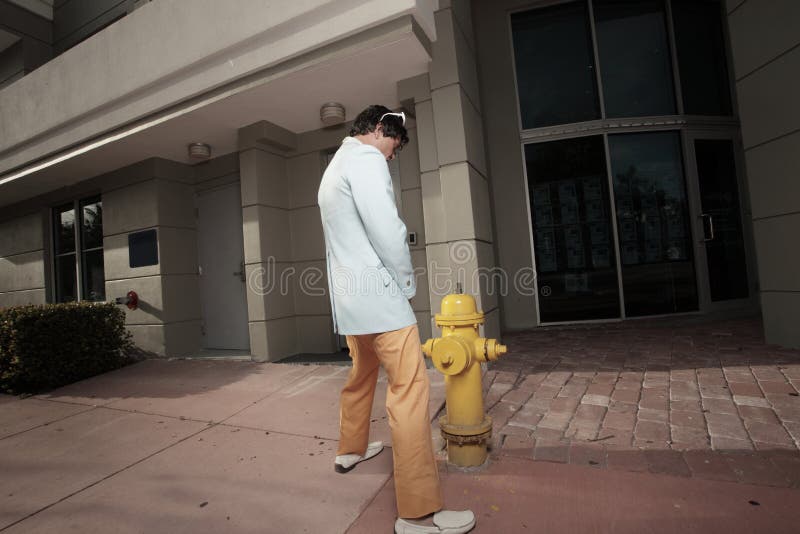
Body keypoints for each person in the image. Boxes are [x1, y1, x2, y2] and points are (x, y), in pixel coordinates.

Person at [318, 105, 476, 534]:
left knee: (361, 376)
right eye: (395, 144)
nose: (392, 155)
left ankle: (349, 450)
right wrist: (406, 284)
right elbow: (387, 230)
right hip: (381, 304)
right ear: (377, 130)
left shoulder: (334, 166)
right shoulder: (367, 160)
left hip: (351, 306)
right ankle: (418, 512)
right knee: (409, 395)